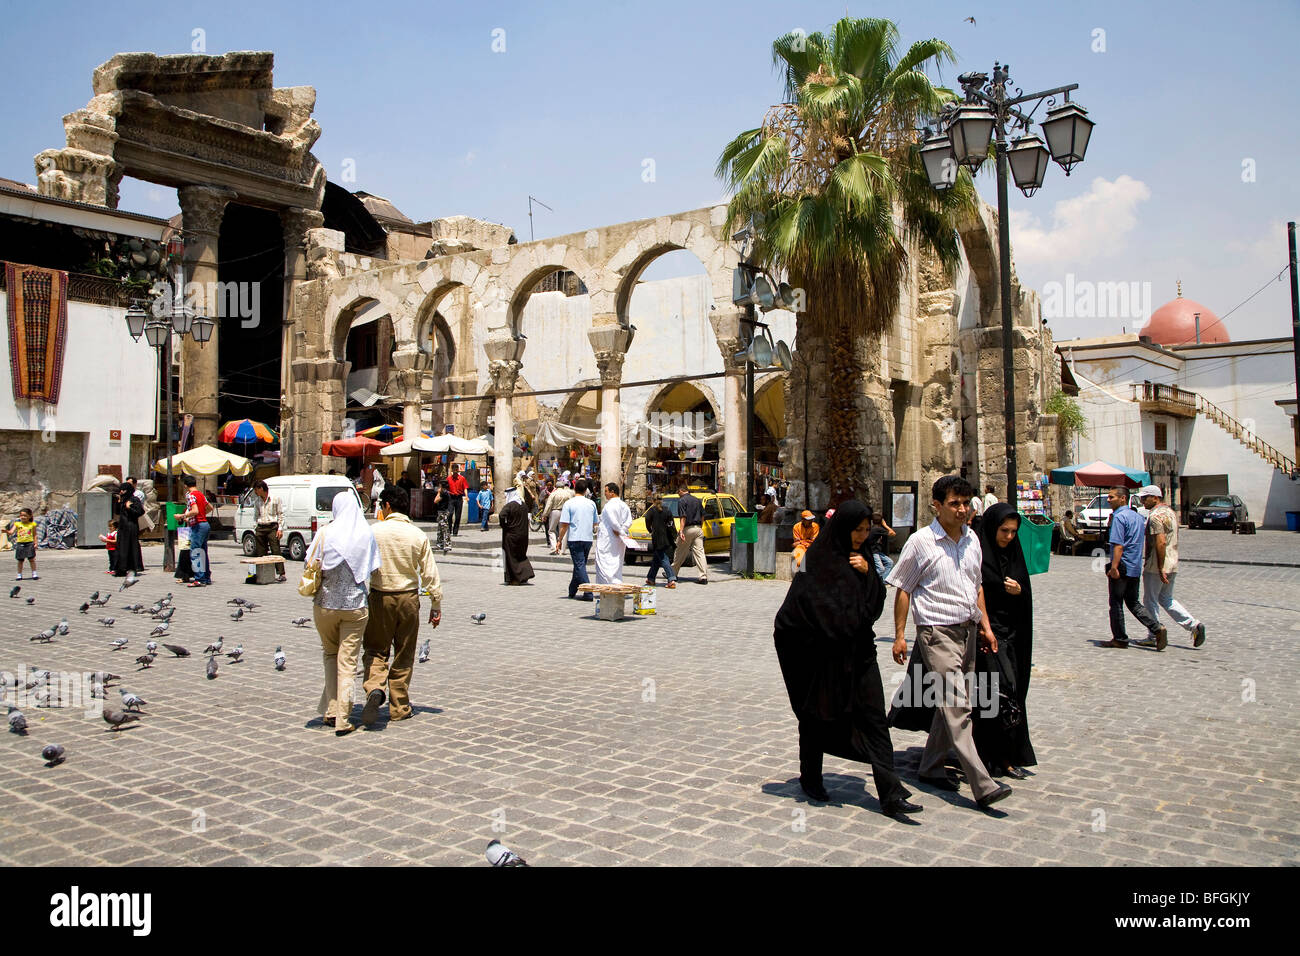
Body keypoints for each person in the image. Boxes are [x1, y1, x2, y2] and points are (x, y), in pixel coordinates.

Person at [773, 501, 922, 817]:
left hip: (861, 655)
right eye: (857, 530)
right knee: (816, 717)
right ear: (843, 528)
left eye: (866, 530)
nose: (862, 536)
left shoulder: (864, 557)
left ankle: (891, 794)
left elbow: (874, 607)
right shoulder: (818, 560)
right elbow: (795, 612)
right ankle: (810, 777)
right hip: (825, 658)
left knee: (875, 720)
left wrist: (869, 575)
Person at [886, 475, 1012, 811]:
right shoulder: (921, 542)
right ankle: (982, 784)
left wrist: (985, 626)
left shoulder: (972, 540)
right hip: (936, 632)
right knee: (959, 707)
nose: (962, 509)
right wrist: (900, 636)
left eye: (966, 503)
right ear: (937, 505)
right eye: (954, 503)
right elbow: (903, 588)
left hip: (968, 630)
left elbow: (977, 587)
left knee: (956, 700)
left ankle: (929, 766)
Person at [360, 485, 442, 726]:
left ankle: (375, 687)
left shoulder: (374, 531)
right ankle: (399, 706)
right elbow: (430, 574)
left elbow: (361, 565)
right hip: (408, 598)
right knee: (404, 652)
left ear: (387, 506)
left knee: (376, 649)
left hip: (380, 595)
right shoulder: (417, 535)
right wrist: (435, 605)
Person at [971, 503, 1037, 779]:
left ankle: (1007, 755)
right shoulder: (977, 555)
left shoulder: (1015, 555)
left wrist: (1018, 591)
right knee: (991, 695)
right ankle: (987, 756)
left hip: (1010, 635)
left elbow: (1026, 600)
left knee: (1011, 692)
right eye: (1004, 531)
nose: (1008, 537)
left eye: (1013, 532)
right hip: (985, 635)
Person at [307, 491, 381, 735]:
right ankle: (343, 717)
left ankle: (331, 710)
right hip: (355, 606)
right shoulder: (365, 533)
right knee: (347, 662)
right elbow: (374, 568)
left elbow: (310, 562)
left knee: (330, 655)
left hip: (325, 604)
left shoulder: (326, 532)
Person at [1137, 485, 1206, 649]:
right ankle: (1193, 625)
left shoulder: (1155, 516)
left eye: (1145, 498)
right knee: (1166, 598)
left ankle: (1154, 633)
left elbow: (1160, 542)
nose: (1142, 501)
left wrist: (1159, 567)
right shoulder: (1170, 512)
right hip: (1173, 561)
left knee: (1150, 600)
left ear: (1155, 498)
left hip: (1157, 564)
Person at [1102, 486, 1167, 650]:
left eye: (1111, 497)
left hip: (1122, 566)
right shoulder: (1137, 517)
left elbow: (1118, 545)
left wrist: (1114, 567)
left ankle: (1120, 638)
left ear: (1122, 498)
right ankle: (1156, 628)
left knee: (1116, 603)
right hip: (1134, 565)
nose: (1108, 500)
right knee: (1133, 602)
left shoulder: (1119, 517)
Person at [555, 477, 597, 600]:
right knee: (580, 564)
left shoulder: (569, 504)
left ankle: (588, 592)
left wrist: (559, 540)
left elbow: (564, 525)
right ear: (586, 491)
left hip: (575, 538)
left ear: (574, 489)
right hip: (588, 539)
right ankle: (572, 589)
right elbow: (595, 523)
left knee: (579, 565)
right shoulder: (591, 504)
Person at [670, 481, 708, 585]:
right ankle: (703, 577)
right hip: (698, 528)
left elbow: (683, 517)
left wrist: (681, 531)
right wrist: (701, 526)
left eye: (678, 492)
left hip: (688, 528)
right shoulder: (697, 500)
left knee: (680, 551)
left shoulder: (682, 501)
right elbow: (703, 515)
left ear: (681, 491)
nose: (678, 494)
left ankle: (673, 573)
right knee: (700, 552)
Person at [594, 482, 632, 586]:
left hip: (609, 539)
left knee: (606, 561)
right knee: (616, 561)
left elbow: (613, 521)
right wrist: (622, 530)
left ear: (612, 492)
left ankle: (609, 584)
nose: (605, 494)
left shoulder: (609, 506)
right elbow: (628, 521)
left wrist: (619, 530)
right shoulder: (624, 505)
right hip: (617, 539)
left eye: (606, 491)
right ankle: (615, 582)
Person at [250, 479, 287, 583]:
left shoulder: (275, 499)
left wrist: (280, 528)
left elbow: (280, 514)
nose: (255, 493)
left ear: (261, 489)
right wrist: (255, 527)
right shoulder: (257, 501)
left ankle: (281, 573)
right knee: (261, 551)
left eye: (256, 490)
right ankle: (263, 573)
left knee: (275, 550)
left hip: (272, 527)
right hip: (261, 526)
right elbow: (256, 515)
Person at [499, 484, 535, 585]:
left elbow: (502, 515)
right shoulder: (523, 505)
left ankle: (516, 578)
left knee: (511, 556)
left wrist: (504, 525)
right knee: (521, 555)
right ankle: (525, 575)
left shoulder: (510, 505)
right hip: (523, 535)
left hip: (512, 535)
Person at [179, 475, 212, 587]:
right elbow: (210, 507)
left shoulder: (191, 495)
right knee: (203, 551)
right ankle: (206, 577)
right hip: (205, 524)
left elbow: (195, 510)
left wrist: (184, 515)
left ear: (185, 485)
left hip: (197, 526)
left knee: (195, 552)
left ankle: (199, 578)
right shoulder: (201, 494)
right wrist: (202, 515)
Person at [643, 494, 678, 589]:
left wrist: (651, 531)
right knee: (657, 559)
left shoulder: (651, 511)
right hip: (666, 537)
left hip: (657, 538)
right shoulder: (667, 510)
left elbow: (647, 522)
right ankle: (651, 578)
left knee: (663, 559)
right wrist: (674, 535)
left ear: (653, 501)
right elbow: (671, 524)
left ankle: (671, 579)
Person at [112, 482, 145, 577]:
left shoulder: (134, 499)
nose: (121, 492)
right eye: (121, 490)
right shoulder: (122, 499)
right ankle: (121, 568)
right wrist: (118, 503)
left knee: (131, 547)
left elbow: (140, 512)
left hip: (131, 526)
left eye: (123, 490)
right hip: (123, 527)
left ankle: (132, 568)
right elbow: (118, 512)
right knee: (121, 547)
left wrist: (129, 507)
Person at [541, 481, 575, 549]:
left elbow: (548, 505)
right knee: (563, 530)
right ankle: (562, 548)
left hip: (554, 511)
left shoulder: (553, 494)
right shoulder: (567, 494)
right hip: (565, 512)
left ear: (556, 487)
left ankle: (554, 546)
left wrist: (545, 515)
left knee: (551, 530)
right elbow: (572, 503)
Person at [8, 508, 38, 580]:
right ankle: (19, 574)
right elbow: (11, 532)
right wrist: (6, 531)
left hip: (29, 543)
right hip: (20, 543)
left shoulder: (32, 524)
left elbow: (35, 534)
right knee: (20, 560)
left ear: (30, 516)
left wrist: (36, 543)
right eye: (21, 515)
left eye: (25, 515)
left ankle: (34, 573)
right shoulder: (17, 524)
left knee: (31, 559)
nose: (23, 517)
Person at [866, 513, 895, 579]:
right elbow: (893, 533)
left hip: (876, 551)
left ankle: (883, 581)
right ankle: (870, 579)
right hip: (873, 551)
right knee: (881, 569)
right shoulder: (877, 529)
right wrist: (885, 525)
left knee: (889, 562)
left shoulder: (873, 528)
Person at [430, 481, 452, 553]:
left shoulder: (444, 493)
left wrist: (438, 493)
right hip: (441, 512)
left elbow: (435, 500)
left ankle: (447, 544)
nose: (439, 488)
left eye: (440, 486)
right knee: (440, 529)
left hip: (443, 512)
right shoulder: (446, 493)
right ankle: (440, 543)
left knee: (444, 528)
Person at [446, 464, 467, 536]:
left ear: (458, 470)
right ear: (452, 470)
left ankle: (455, 531)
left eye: (456, 470)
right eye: (454, 470)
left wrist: (466, 496)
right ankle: (449, 529)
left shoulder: (462, 478)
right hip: (451, 498)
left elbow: (465, 488)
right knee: (450, 514)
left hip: (459, 498)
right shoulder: (448, 479)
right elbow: (446, 488)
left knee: (458, 516)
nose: (455, 472)